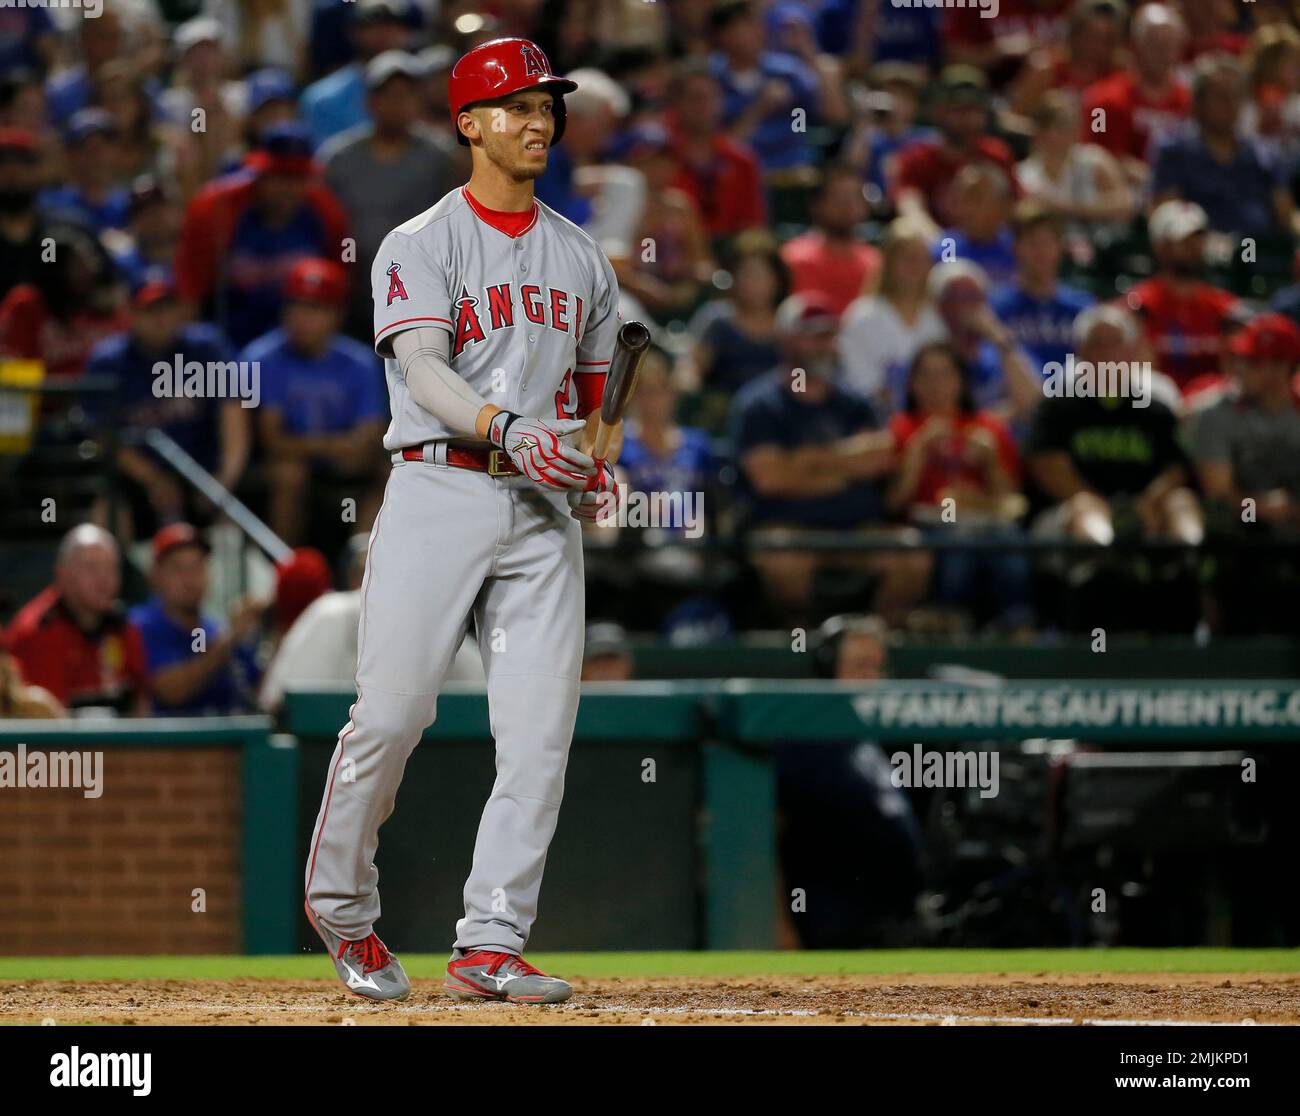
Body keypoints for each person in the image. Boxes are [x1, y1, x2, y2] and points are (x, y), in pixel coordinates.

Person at [303, 39, 622, 1007]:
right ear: (469, 123)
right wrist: (511, 429)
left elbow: (598, 407)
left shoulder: (580, 256)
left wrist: (598, 461)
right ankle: (341, 907)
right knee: (393, 717)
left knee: (537, 737)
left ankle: (491, 940)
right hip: (441, 487)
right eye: (516, 105)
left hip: (538, 513)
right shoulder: (419, 242)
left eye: (546, 106)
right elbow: (426, 376)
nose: (538, 121)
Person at [730, 292, 930, 627]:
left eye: (830, 335)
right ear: (787, 340)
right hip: (789, 528)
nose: (826, 344)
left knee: (913, 557)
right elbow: (771, 479)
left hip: (856, 529)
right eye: (814, 335)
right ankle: (802, 644)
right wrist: (846, 466)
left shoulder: (855, 402)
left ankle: (875, 640)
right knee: (783, 561)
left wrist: (804, 462)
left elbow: (880, 457)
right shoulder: (759, 405)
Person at [1026, 304, 1202, 547]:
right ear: (1081, 352)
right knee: (1086, 507)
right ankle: (1107, 566)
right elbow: (1049, 471)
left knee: (1181, 501)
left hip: (1144, 510)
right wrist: (1108, 510)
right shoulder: (1055, 409)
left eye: (1115, 343)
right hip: (1067, 515)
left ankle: (1192, 566)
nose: (1107, 352)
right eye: (1097, 344)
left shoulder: (1156, 409)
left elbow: (1175, 469)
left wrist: (1146, 504)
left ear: (1132, 352)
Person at [86, 278, 251, 539]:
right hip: (137, 483)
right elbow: (101, 434)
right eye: (150, 311)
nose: (160, 318)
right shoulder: (109, 361)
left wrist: (222, 483)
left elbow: (234, 414)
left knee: (232, 526)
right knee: (106, 516)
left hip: (202, 476)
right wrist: (152, 478)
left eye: (167, 308)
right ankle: (117, 578)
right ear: (130, 313)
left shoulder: (207, 348)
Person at [886, 342, 1033, 631]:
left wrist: (990, 461)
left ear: (961, 382)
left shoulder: (988, 427)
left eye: (944, 375)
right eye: (925, 376)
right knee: (958, 547)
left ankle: (1020, 628)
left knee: (1009, 544)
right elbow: (893, 502)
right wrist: (917, 452)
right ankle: (953, 627)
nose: (935, 385)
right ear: (912, 385)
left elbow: (1012, 501)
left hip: (988, 524)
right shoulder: (902, 428)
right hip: (929, 526)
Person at [243, 257, 387, 546]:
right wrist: (335, 445)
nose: (301, 318)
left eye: (315, 308)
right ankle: (285, 569)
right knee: (289, 473)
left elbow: (371, 436)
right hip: (280, 467)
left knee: (396, 472)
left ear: (336, 315)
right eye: (295, 306)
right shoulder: (261, 357)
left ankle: (360, 567)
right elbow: (273, 441)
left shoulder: (359, 362)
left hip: (342, 464)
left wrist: (340, 448)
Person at [259, 533, 484, 713]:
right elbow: (274, 699)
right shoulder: (332, 611)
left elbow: (271, 698)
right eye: (363, 571)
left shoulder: (329, 610)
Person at [173, 122, 351, 347]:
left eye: (296, 178)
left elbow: (338, 292)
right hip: (228, 339)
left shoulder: (325, 211)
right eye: (278, 176)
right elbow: (190, 293)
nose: (286, 188)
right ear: (258, 174)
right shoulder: (215, 208)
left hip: (302, 340)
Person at [321, 50, 456, 337]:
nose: (398, 104)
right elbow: (324, 222)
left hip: (418, 290)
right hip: (351, 289)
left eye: (407, 95)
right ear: (369, 102)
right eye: (388, 95)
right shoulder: (338, 158)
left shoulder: (441, 156)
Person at [1192, 313, 1300, 633]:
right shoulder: (1216, 413)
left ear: (1283, 368)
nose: (1241, 369)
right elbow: (1218, 491)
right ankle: (1218, 634)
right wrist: (1267, 508)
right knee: (1220, 527)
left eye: (1255, 362)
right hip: (1244, 524)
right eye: (1242, 359)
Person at [4, 524, 147, 715]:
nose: (104, 579)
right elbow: (43, 723)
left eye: (112, 568)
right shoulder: (34, 633)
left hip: (123, 744)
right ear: (62, 572)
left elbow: (141, 701)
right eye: (92, 567)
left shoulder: (125, 626)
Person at [1150, 53, 1294, 238]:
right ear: (1198, 101)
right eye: (1221, 96)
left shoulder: (1264, 155)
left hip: (1258, 255)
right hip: (1201, 257)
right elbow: (1166, 223)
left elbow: (1285, 219)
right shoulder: (1174, 151)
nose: (1230, 104)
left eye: (1235, 96)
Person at [129, 523, 264, 717]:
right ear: (155, 575)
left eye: (197, 566)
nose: (190, 579)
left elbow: (258, 691)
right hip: (168, 743)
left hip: (224, 741)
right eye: (178, 568)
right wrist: (229, 639)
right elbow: (173, 691)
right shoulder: (141, 625)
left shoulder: (206, 630)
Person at [1124, 199, 1240, 394]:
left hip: (1210, 409)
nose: (1194, 247)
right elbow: (1137, 373)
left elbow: (1234, 373)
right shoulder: (1139, 304)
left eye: (1198, 239)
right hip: (1155, 406)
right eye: (1184, 240)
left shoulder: (1224, 307)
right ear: (1160, 247)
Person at [891, 66, 1020, 232]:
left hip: (988, 245)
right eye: (959, 110)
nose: (968, 119)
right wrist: (945, 248)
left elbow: (1015, 208)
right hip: (941, 246)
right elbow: (911, 209)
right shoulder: (918, 158)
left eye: (975, 110)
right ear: (939, 112)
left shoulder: (996, 154)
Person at [838, 216, 946, 415]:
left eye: (921, 257)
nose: (914, 265)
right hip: (877, 422)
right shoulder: (861, 316)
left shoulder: (942, 315)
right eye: (906, 257)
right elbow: (860, 386)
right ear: (888, 263)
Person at [679, 230, 786, 424]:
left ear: (776, 280)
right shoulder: (716, 320)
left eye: (760, 275)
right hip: (725, 418)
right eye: (746, 275)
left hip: (778, 421)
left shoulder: (788, 323)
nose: (752, 283)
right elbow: (690, 368)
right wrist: (689, 390)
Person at [707, 0, 824, 177]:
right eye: (745, 25)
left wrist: (795, 118)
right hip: (739, 174)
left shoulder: (788, 72)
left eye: (757, 23)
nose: (757, 30)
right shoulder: (711, 81)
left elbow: (827, 115)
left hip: (792, 170)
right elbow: (720, 146)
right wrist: (760, 108)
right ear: (723, 35)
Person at [1080, 2, 1190, 182]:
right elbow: (1094, 152)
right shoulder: (1100, 102)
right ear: (1136, 46)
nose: (1163, 53)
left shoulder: (1190, 102)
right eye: (1155, 44)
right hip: (1117, 193)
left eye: (1170, 45)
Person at [662, 58, 766, 239]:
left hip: (730, 254)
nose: (704, 107)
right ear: (676, 104)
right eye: (695, 98)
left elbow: (751, 226)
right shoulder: (657, 157)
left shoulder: (742, 161)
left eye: (711, 98)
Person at [990, 201, 1094, 377]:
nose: (1040, 251)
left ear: (1060, 248)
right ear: (1015, 248)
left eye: (1047, 242)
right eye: (1032, 242)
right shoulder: (996, 307)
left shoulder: (1083, 308)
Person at [779, 161, 881, 316]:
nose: (847, 205)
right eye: (838, 197)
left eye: (854, 197)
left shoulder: (875, 264)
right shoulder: (792, 259)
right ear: (817, 204)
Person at [933, 162, 1017, 289]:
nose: (965, 207)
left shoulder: (1016, 248)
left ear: (1002, 204)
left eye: (975, 197)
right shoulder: (947, 247)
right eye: (960, 198)